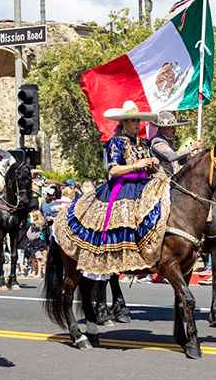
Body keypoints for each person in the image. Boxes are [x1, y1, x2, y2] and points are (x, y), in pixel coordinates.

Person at [55, 100, 169, 276]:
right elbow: (114, 170)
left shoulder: (146, 144)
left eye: (138, 120)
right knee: (122, 219)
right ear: (124, 122)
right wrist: (136, 165)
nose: (137, 124)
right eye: (133, 121)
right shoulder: (116, 142)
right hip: (124, 186)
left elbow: (151, 170)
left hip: (145, 184)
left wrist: (153, 165)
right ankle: (113, 257)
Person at [26, 210, 46, 278]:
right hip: (31, 241)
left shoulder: (39, 222)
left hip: (37, 242)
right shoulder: (32, 222)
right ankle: (33, 271)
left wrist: (32, 217)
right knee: (32, 257)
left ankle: (39, 273)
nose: (32, 217)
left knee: (38, 257)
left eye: (34, 216)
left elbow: (35, 224)